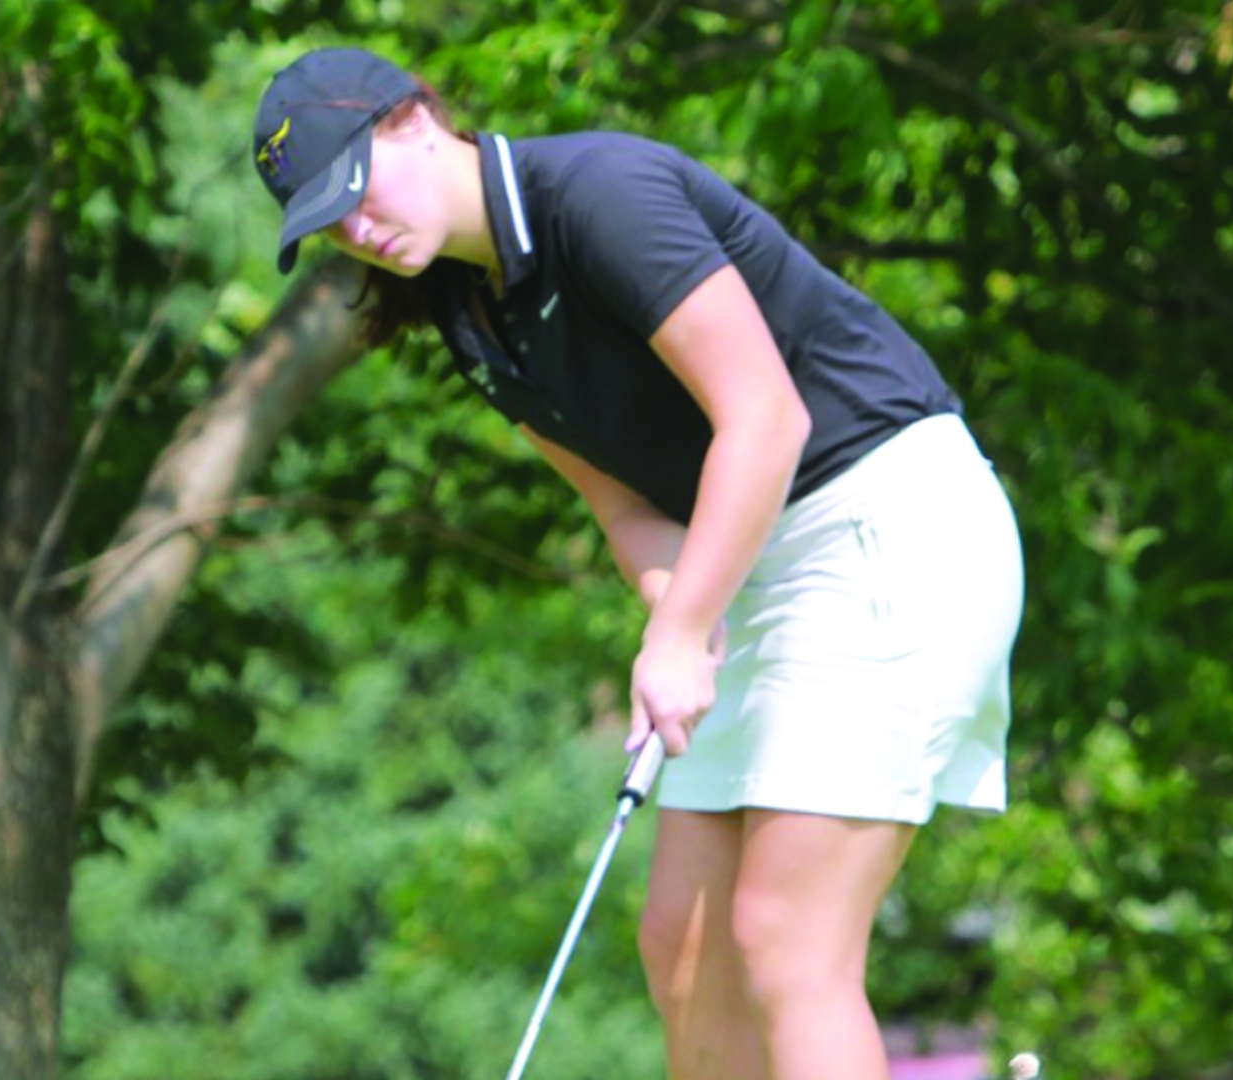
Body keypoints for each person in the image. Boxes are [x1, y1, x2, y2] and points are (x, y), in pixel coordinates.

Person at [251, 47, 1024, 1080]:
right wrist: (683, 620)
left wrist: (677, 627)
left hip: (884, 519)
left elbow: (767, 417)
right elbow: (622, 504)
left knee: (783, 937)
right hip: (756, 561)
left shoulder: (597, 193)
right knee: (685, 946)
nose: (358, 232)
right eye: (327, 222)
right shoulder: (463, 311)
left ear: (413, 119)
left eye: (356, 192)